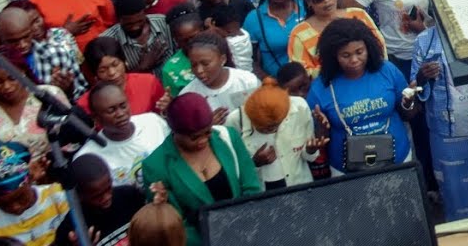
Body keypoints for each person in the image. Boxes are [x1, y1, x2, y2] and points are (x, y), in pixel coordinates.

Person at [411, 19, 468, 219]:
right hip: (446, 137)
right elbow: (414, 90)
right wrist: (422, 77)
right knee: (454, 192)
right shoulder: (424, 40)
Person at [141, 92, 263, 246]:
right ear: (175, 131)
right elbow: (174, 224)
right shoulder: (156, 166)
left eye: (208, 132)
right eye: (194, 137)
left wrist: (244, 227)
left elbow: (251, 187)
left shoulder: (228, 137)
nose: (203, 141)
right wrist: (216, 239)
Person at [305, 18, 416, 176]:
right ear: (333, 55)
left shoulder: (387, 70)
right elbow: (318, 139)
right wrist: (321, 128)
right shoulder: (320, 87)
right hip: (347, 170)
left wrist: (409, 103)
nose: (354, 60)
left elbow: (409, 115)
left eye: (359, 52)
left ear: (368, 48)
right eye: (345, 55)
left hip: (398, 159)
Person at [224, 77, 322, 190]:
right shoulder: (235, 121)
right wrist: (254, 163)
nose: (270, 131)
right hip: (262, 192)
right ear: (251, 118)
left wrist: (310, 150)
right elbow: (231, 171)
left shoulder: (299, 107)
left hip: (299, 186)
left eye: (276, 125)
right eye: (263, 128)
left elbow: (308, 157)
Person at [287, 0, 384, 77]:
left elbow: (379, 48)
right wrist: (338, 71)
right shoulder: (299, 33)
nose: (326, 1)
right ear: (308, 2)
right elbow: (301, 72)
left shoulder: (358, 15)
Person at [0, 58, 70, 161]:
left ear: (23, 73)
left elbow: (71, 136)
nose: (7, 86)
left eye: (12, 78)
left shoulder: (50, 95)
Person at [75, 82, 171, 187]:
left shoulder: (153, 122)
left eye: (123, 106)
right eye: (111, 110)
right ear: (96, 118)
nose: (120, 114)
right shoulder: (89, 157)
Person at [0, 141, 70, 245]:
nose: (15, 207)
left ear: (30, 180)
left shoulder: (55, 195)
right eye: (4, 204)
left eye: (21, 197)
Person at [54, 154, 145, 246]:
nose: (106, 197)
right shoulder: (73, 226)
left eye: (108, 188)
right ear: (80, 196)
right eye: (97, 196)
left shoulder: (130, 196)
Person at [242, 0, 305, 80]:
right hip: (274, 82)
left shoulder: (305, 7)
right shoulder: (254, 18)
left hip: (310, 78)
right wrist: (269, 81)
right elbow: (249, 60)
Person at [179, 33, 260, 121]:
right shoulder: (188, 96)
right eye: (194, 65)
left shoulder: (247, 82)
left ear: (223, 59)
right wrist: (207, 126)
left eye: (205, 64)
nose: (199, 70)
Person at [97, 0, 173, 77]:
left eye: (140, 21)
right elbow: (112, 80)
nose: (135, 28)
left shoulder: (163, 22)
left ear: (145, 14)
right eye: (129, 24)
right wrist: (142, 68)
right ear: (118, 19)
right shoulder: (107, 41)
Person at [161, 8, 203, 97]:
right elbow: (175, 101)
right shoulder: (170, 70)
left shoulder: (218, 48)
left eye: (194, 37)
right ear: (176, 41)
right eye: (185, 40)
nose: (191, 43)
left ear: (203, 31)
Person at [211, 1, 254, 73]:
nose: (234, 34)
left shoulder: (230, 42)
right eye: (229, 32)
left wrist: (211, 26)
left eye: (229, 32)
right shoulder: (245, 33)